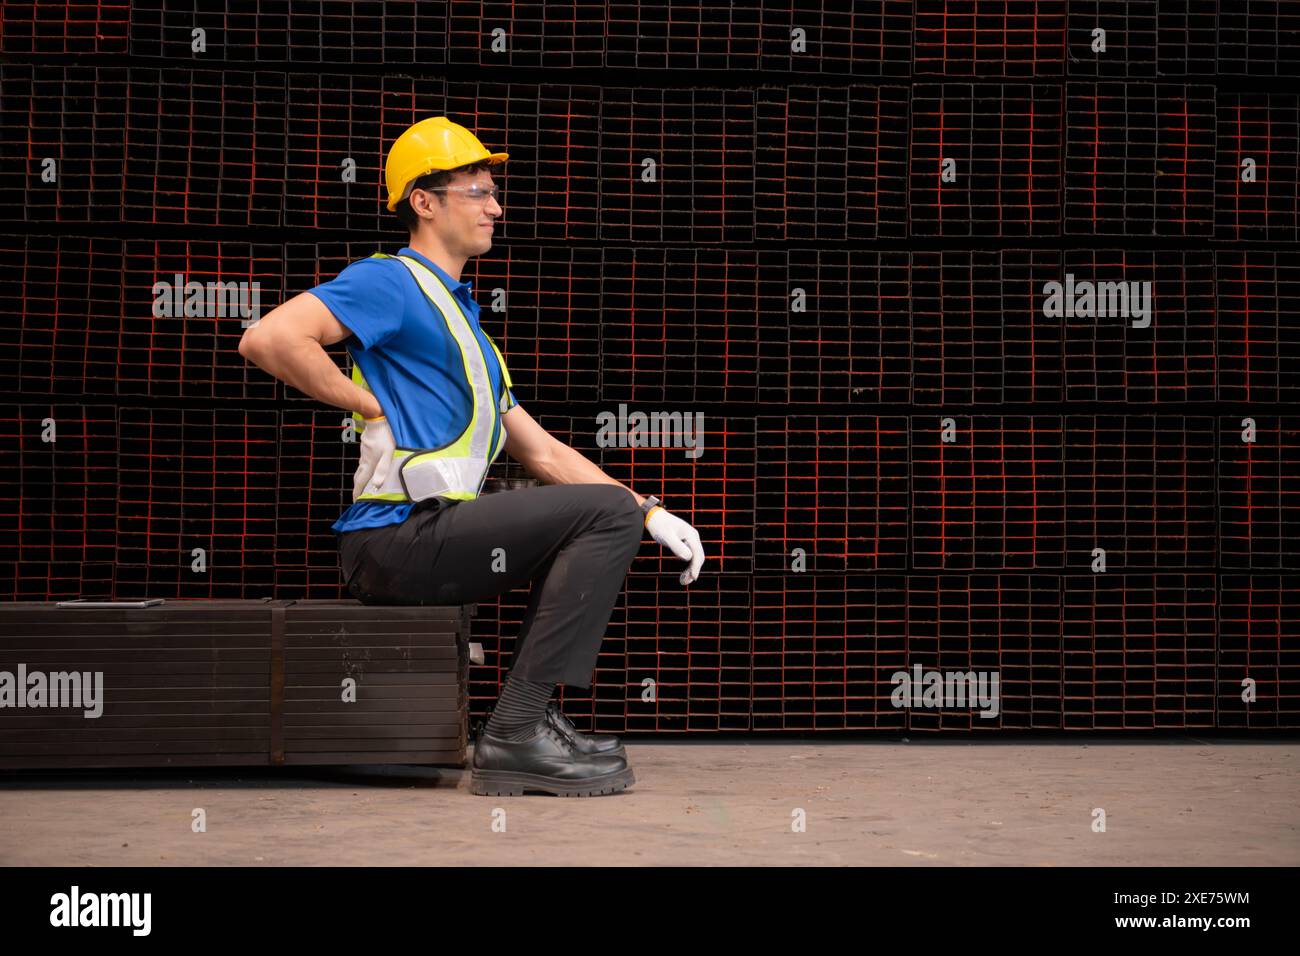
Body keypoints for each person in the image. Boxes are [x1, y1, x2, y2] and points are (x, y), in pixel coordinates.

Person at [238, 116, 706, 797]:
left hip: (436, 535)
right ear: (424, 202)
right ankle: (515, 730)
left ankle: (532, 717)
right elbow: (269, 338)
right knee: (601, 515)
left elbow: (541, 450)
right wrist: (364, 404)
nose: (496, 206)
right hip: (393, 541)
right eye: (478, 191)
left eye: (494, 192)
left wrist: (649, 512)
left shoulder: (466, 326)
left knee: (602, 515)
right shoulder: (391, 282)